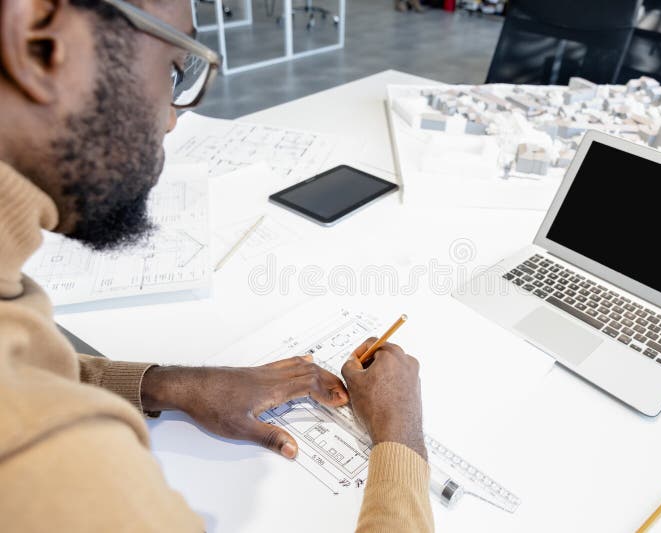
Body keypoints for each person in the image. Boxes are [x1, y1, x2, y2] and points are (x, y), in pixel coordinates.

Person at [0, 0, 434, 531]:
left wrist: (169, 385)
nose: (172, 119)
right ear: (36, 40)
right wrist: (401, 434)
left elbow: (25, 366)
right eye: (173, 69)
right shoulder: (53, 465)